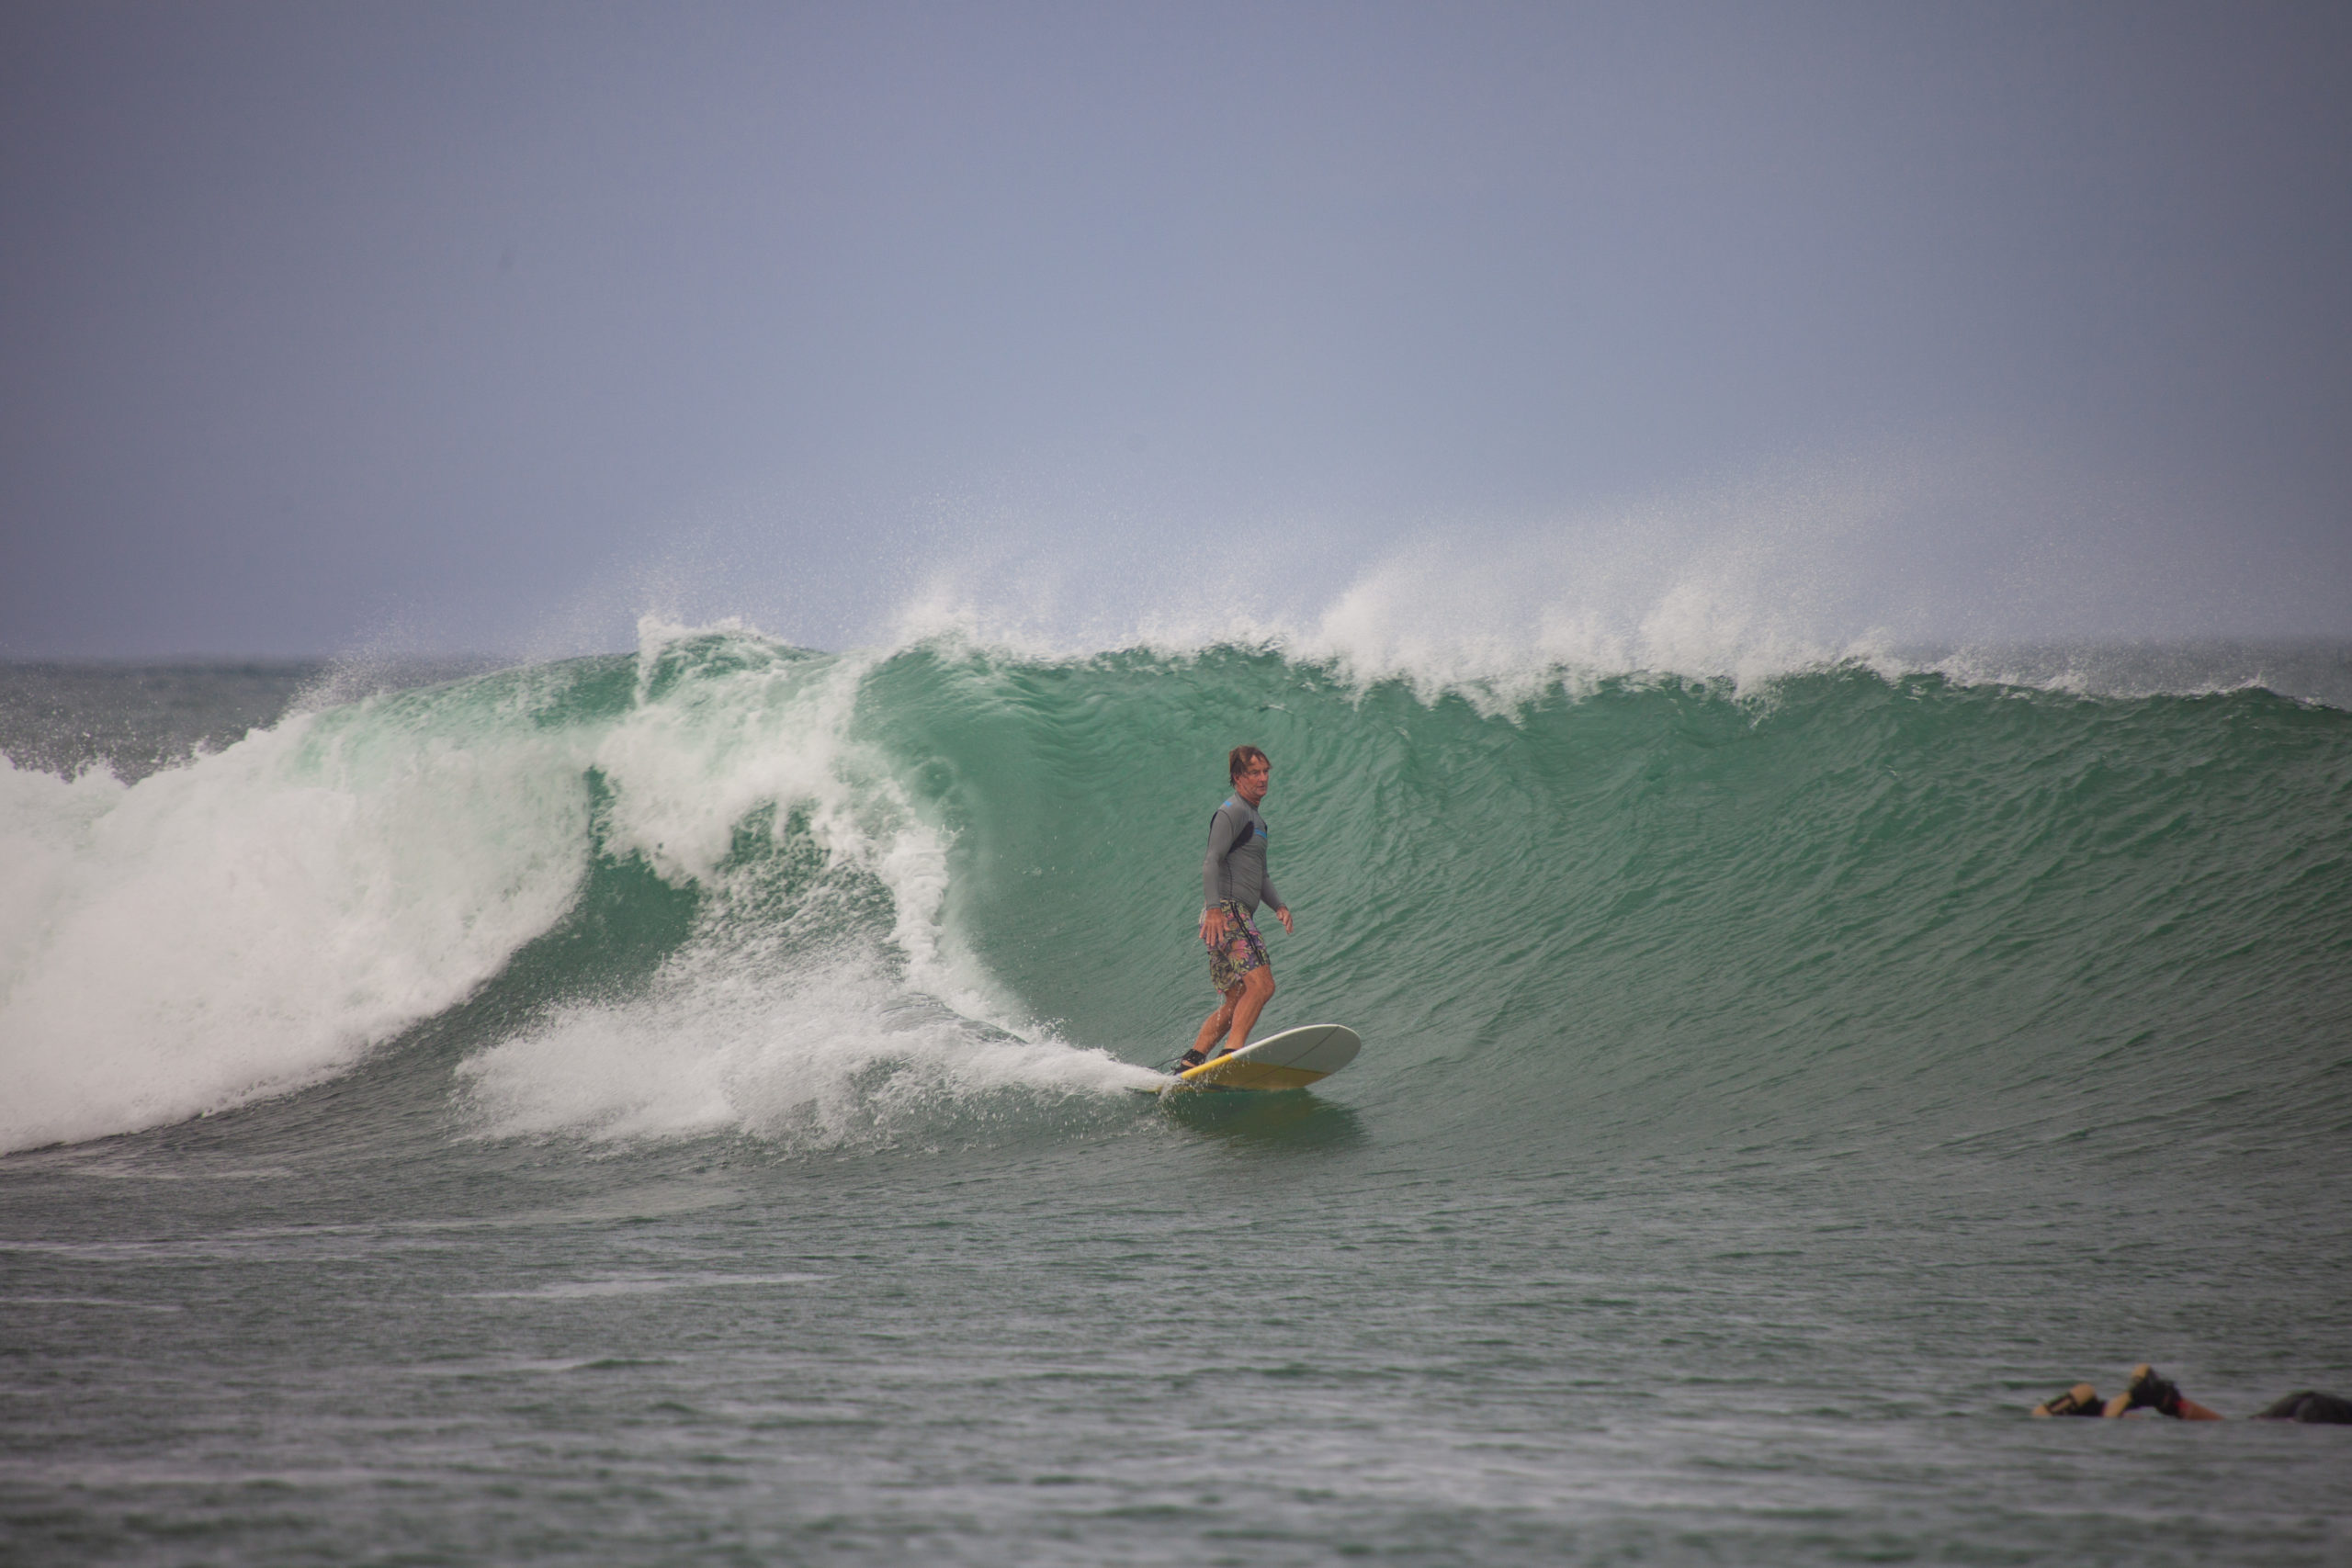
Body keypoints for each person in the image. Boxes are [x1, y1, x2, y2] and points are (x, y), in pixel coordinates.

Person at [1173, 745, 1294, 1074]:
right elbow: (1211, 860)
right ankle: (1231, 1055)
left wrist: (1279, 905)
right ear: (1238, 778)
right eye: (1254, 773)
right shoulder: (1232, 811)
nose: (1263, 778)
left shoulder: (1257, 820)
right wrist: (1215, 910)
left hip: (1226, 914)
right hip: (1227, 912)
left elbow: (1261, 876)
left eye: (1265, 771)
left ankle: (1192, 1061)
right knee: (1262, 985)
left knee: (1238, 996)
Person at [2030, 1363, 2347, 1422]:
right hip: (2304, 1411)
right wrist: (2176, 1406)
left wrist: (2174, 1406)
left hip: (2306, 1410)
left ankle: (2127, 1401)